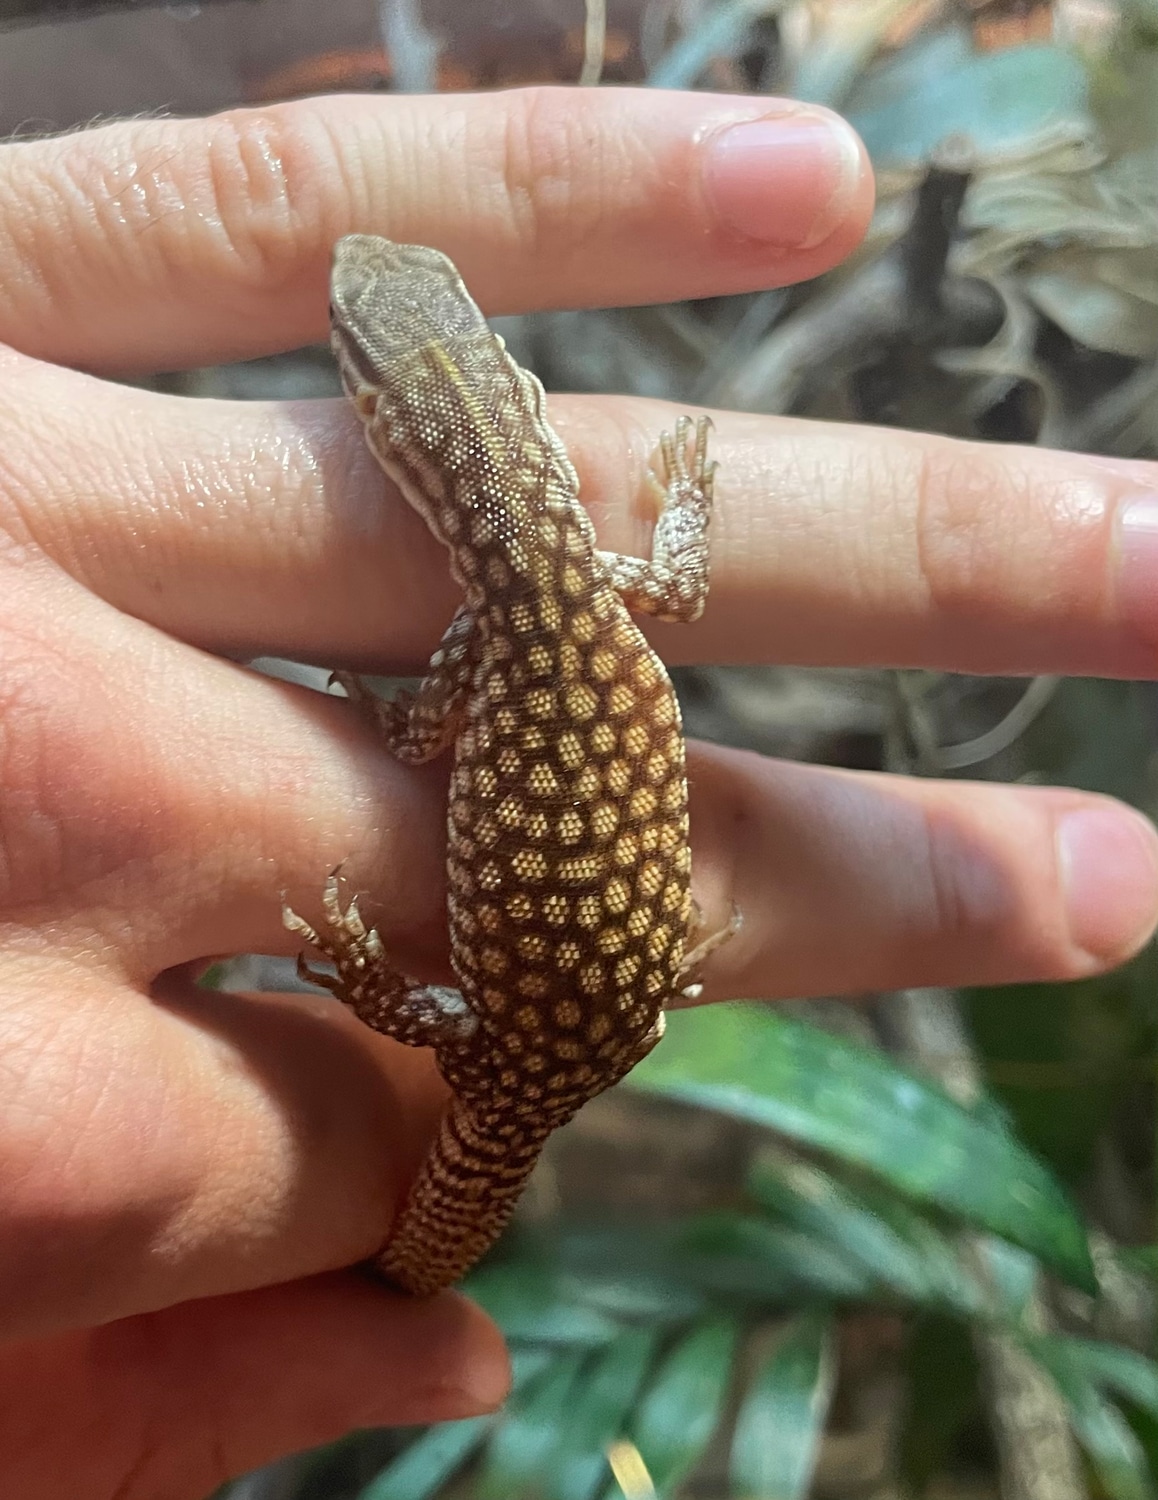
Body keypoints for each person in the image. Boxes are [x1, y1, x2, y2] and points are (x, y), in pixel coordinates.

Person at [0, 86, 1155, 1499]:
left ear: (386, 417)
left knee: (467, 1055)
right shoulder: (591, 607)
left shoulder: (486, 641)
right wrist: (678, 502)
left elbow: (422, 739)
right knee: (485, 1082)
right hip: (572, 1035)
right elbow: (645, 590)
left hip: (540, 1038)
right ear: (518, 404)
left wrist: (367, 954)